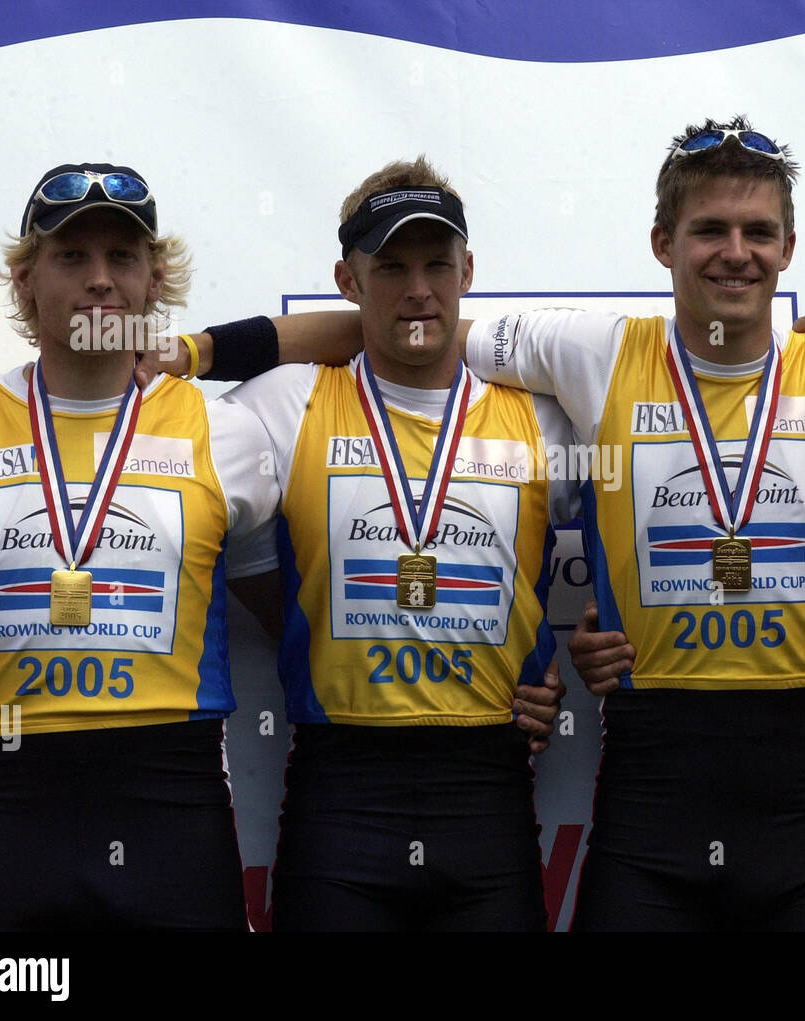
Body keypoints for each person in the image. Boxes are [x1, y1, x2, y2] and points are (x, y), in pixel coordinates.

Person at [146, 118, 805, 930]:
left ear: (788, 248)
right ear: (661, 244)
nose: (735, 253)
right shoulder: (587, 352)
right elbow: (404, 327)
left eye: (757, 232)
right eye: (709, 231)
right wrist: (192, 348)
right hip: (648, 777)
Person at [0, 163, 281, 929]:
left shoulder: (228, 432)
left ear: (155, 279)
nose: (99, 280)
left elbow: (373, 336)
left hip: (168, 798)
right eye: (71, 256)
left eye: (123, 256)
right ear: (23, 281)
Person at [219, 157, 572, 930]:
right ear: (348, 280)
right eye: (391, 268)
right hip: (340, 793)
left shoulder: (544, 418)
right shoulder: (288, 402)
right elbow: (122, 427)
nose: (418, 289)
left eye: (437, 264)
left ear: (467, 270)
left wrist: (549, 669)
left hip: (490, 786)